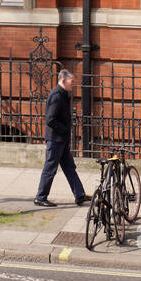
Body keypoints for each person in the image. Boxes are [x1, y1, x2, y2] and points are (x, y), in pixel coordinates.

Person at [33, 69, 89, 208]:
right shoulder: (57, 95)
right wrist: (64, 129)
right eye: (72, 81)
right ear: (63, 81)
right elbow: (50, 119)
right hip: (55, 140)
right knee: (50, 168)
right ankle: (40, 197)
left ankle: (79, 195)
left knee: (69, 167)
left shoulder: (63, 94)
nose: (73, 84)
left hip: (61, 140)